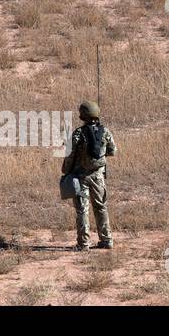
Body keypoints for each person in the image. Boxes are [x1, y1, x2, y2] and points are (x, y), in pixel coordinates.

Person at [62, 100, 115, 250]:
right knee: (101, 207)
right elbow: (113, 151)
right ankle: (107, 240)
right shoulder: (105, 131)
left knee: (82, 210)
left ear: (82, 115)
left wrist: (66, 169)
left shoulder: (78, 134)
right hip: (98, 177)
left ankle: (84, 244)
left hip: (81, 178)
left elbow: (70, 155)